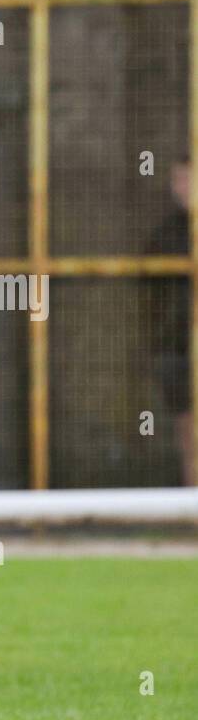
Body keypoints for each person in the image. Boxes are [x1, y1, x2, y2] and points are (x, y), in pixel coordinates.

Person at [146, 155, 193, 485]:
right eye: (176, 179)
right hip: (177, 348)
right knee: (190, 437)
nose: (180, 188)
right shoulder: (166, 235)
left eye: (188, 179)